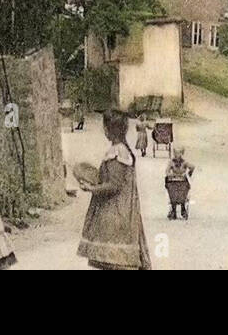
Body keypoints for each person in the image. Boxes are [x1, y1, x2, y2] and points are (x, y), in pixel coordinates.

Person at [76, 110, 151, 269]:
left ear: (107, 129)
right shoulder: (123, 149)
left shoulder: (117, 151)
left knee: (115, 262)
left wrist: (91, 188)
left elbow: (114, 185)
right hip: (123, 210)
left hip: (115, 212)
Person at [164, 146, 195, 220]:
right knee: (172, 191)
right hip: (174, 180)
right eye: (176, 153)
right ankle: (174, 209)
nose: (177, 155)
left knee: (183, 191)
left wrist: (189, 173)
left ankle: (182, 207)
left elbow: (192, 167)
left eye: (179, 153)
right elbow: (167, 171)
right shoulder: (171, 162)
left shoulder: (184, 162)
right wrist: (171, 174)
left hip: (182, 180)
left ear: (182, 154)